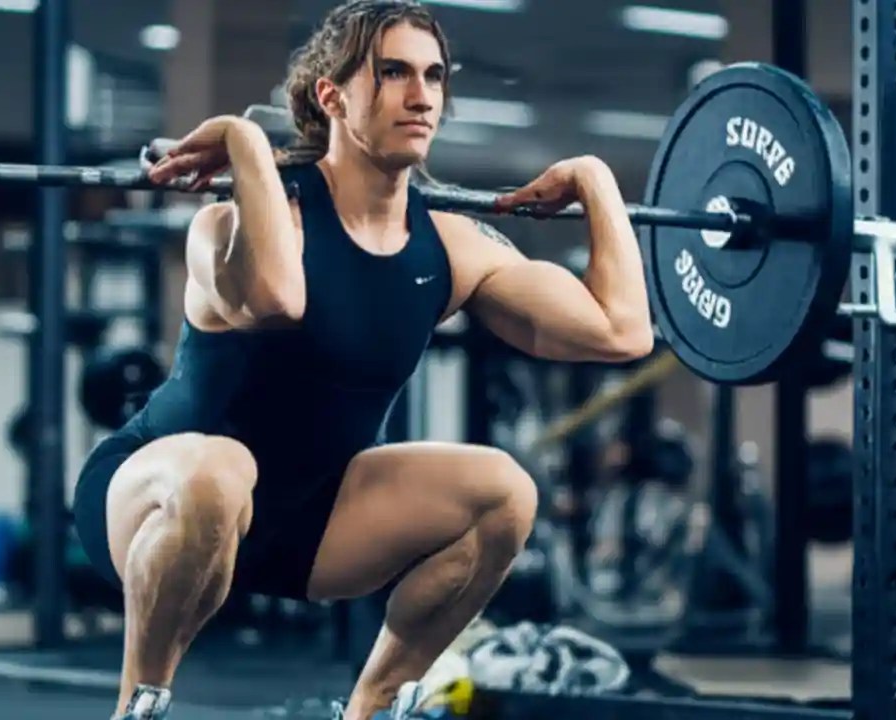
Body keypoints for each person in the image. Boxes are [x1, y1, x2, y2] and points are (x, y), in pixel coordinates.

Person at [71, 1, 653, 719]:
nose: (423, 96)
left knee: (505, 490)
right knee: (221, 471)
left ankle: (372, 707)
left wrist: (596, 181)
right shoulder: (231, 221)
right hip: (157, 506)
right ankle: (138, 705)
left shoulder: (451, 245)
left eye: (435, 76)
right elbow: (278, 298)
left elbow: (622, 333)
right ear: (333, 96)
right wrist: (245, 142)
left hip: (312, 519)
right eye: (395, 73)